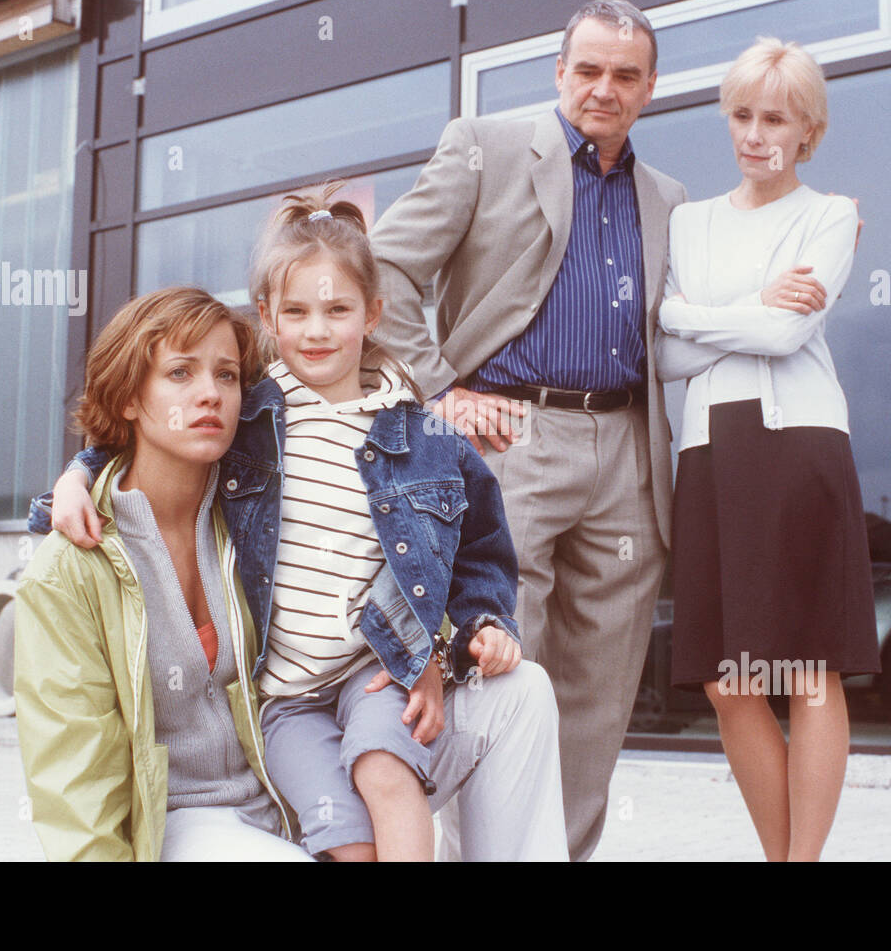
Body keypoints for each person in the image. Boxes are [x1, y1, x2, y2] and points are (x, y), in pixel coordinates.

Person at [29, 185, 568, 862]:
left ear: (373, 313)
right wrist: (73, 477)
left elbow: (476, 548)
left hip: (374, 671)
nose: (317, 329)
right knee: (347, 836)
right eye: (298, 312)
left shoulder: (416, 434)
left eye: (337, 309)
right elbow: (130, 443)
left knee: (497, 706)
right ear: (270, 317)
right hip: (275, 717)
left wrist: (455, 642)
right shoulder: (255, 423)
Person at [367, 0, 685, 861]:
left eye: (625, 75)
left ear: (650, 87)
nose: (603, 89)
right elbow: (384, 266)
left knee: (596, 698)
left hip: (627, 453)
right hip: (512, 438)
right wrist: (440, 386)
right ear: (560, 73)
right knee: (499, 669)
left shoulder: (670, 200)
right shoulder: (488, 147)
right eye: (587, 70)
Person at [655, 36, 881, 861]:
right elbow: (668, 358)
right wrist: (742, 308)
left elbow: (788, 334)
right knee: (729, 679)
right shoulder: (689, 222)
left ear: (806, 132)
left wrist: (692, 314)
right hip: (712, 452)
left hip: (799, 444)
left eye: (775, 119)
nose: (755, 134)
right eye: (742, 115)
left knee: (809, 668)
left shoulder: (829, 214)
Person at [14, 286, 310, 861]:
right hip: (181, 823)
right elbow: (75, 778)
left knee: (514, 698)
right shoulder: (70, 566)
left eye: (227, 376)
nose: (210, 394)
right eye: (180, 372)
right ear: (129, 397)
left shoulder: (255, 516)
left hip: (297, 789)